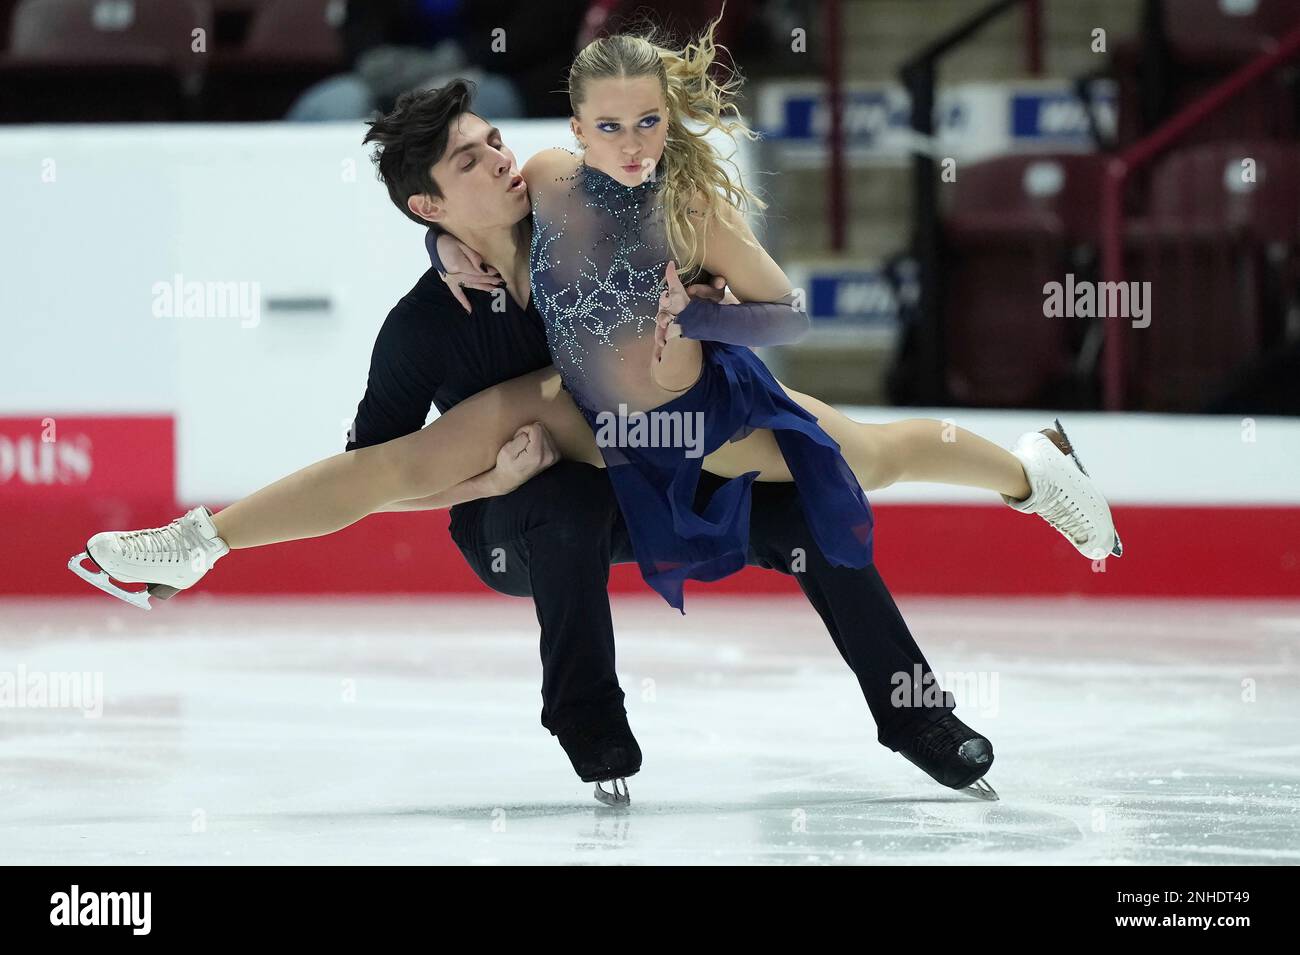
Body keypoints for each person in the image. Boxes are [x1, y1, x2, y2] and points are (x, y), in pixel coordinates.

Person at [71, 21, 1121, 799]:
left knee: (861, 467)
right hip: (546, 476)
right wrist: (488, 479)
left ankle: (1025, 490)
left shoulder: (571, 183)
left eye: (493, 139)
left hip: (677, 413)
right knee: (481, 463)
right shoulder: (423, 325)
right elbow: (381, 475)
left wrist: (698, 316)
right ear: (427, 209)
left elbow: (772, 311)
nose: (497, 158)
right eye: (468, 161)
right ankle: (197, 541)